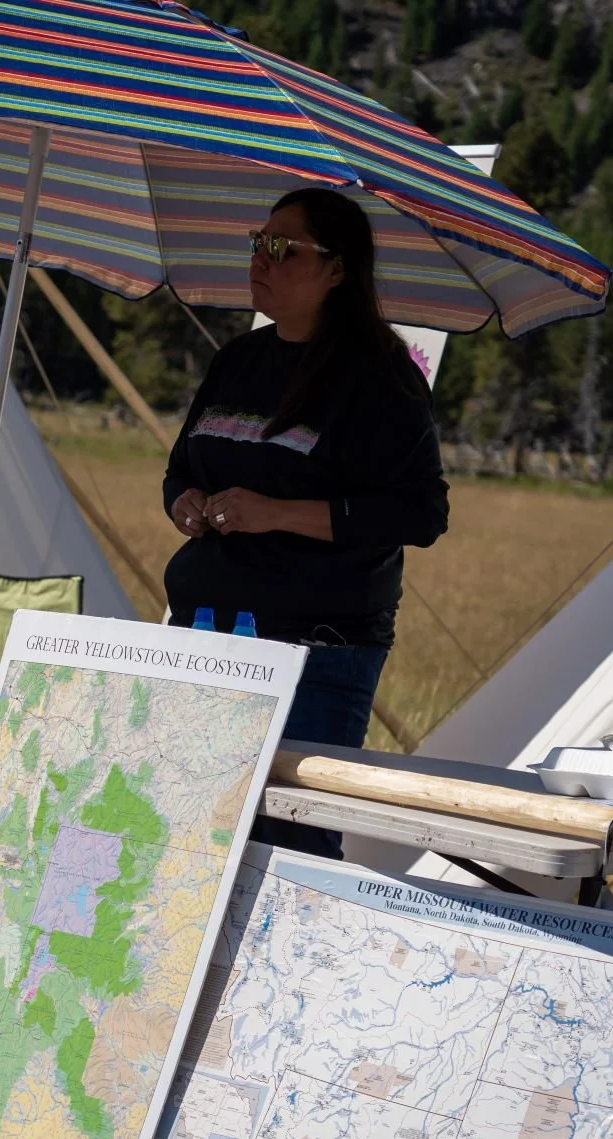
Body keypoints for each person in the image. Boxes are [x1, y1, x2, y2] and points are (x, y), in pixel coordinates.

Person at [163, 188, 449, 859]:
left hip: (314, 658)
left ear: (337, 270)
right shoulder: (237, 360)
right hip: (203, 639)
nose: (260, 259)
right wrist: (184, 502)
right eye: (256, 243)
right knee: (188, 841)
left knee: (290, 854)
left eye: (282, 248)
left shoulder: (381, 377)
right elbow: (179, 470)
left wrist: (274, 515)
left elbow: (420, 512)